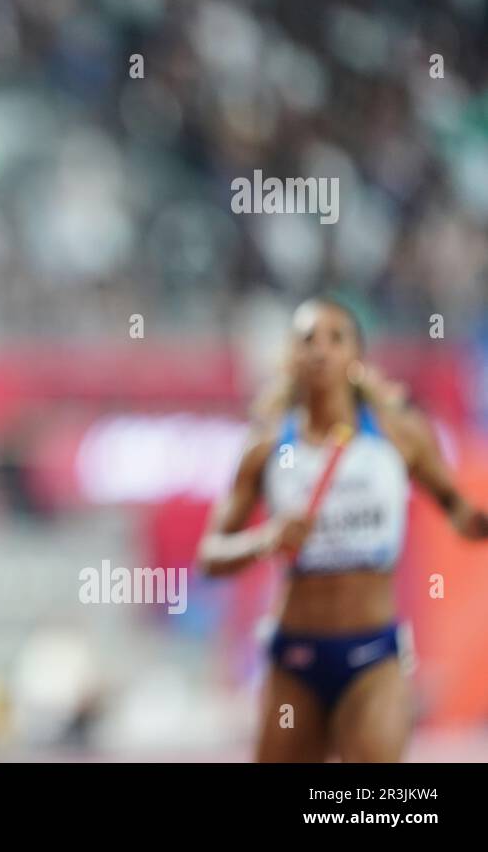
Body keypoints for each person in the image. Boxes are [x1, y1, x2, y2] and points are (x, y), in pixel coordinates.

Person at [197, 297, 488, 761]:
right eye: (308, 340)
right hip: (294, 658)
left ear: (357, 356)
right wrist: (266, 539)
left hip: (373, 657)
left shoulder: (400, 435)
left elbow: (457, 508)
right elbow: (210, 556)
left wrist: (476, 522)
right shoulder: (266, 447)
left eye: (336, 338)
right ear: (291, 355)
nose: (321, 351)